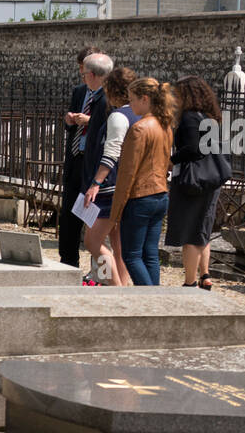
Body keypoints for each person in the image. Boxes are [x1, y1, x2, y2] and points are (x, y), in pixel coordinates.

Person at [110, 77, 176, 286]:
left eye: (132, 100)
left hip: (140, 197)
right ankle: (154, 303)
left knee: (131, 255)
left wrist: (116, 211)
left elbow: (127, 173)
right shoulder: (165, 126)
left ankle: (149, 298)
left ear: (144, 99)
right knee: (150, 254)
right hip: (160, 194)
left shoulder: (139, 129)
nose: (130, 105)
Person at [81, 65, 137, 287]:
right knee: (118, 242)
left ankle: (113, 285)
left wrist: (96, 182)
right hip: (128, 185)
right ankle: (122, 283)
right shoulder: (139, 114)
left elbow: (111, 153)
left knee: (93, 242)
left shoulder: (118, 116)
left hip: (110, 185)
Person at [167, 75, 224, 289]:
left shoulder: (190, 117)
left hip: (194, 180)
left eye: (178, 93)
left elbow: (193, 149)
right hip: (210, 177)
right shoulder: (210, 116)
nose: (175, 98)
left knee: (190, 232)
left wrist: (171, 160)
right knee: (202, 228)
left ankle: (189, 282)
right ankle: (205, 275)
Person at [59, 45, 103, 270]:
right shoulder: (79, 92)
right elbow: (71, 123)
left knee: (100, 232)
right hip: (76, 159)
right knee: (68, 218)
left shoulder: (108, 97)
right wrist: (69, 120)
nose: (81, 74)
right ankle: (68, 266)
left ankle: (104, 276)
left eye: (84, 70)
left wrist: (91, 121)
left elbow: (111, 132)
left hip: (97, 167)